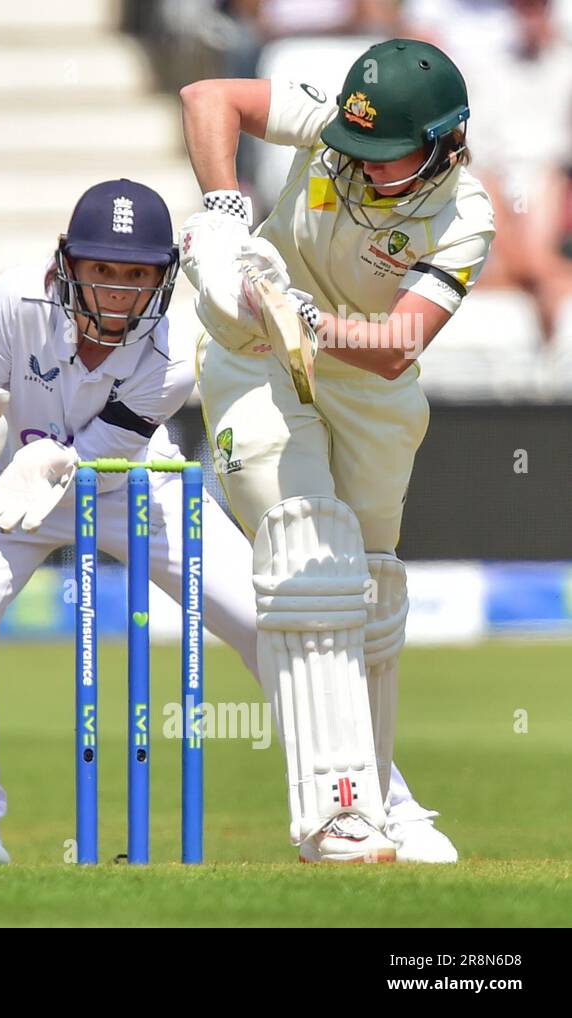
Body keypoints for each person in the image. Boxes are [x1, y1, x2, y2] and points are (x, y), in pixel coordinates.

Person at [0, 178, 452, 866]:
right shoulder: (11, 299)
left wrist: (51, 460)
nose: (116, 290)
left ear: (163, 277)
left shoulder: (176, 346)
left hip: (139, 484)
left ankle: (383, 809)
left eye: (135, 274)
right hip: (3, 495)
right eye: (101, 270)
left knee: (278, 628)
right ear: (66, 265)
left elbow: (96, 458)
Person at [178, 39, 493, 861]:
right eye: (351, 151)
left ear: (443, 144)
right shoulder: (337, 121)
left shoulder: (466, 218)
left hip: (369, 385)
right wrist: (222, 205)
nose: (358, 168)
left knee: (373, 593)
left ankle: (385, 800)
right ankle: (334, 814)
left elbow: (397, 347)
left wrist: (306, 321)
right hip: (252, 356)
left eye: (383, 158)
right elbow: (209, 95)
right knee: (308, 555)